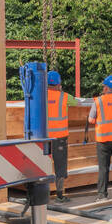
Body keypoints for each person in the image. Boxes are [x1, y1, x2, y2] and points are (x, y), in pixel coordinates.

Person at [46, 70, 70, 198]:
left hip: (43, 137)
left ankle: (42, 194)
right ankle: (60, 194)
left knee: (42, 164)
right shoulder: (64, 97)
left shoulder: (40, 96)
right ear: (59, 83)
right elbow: (77, 102)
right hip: (60, 138)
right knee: (60, 165)